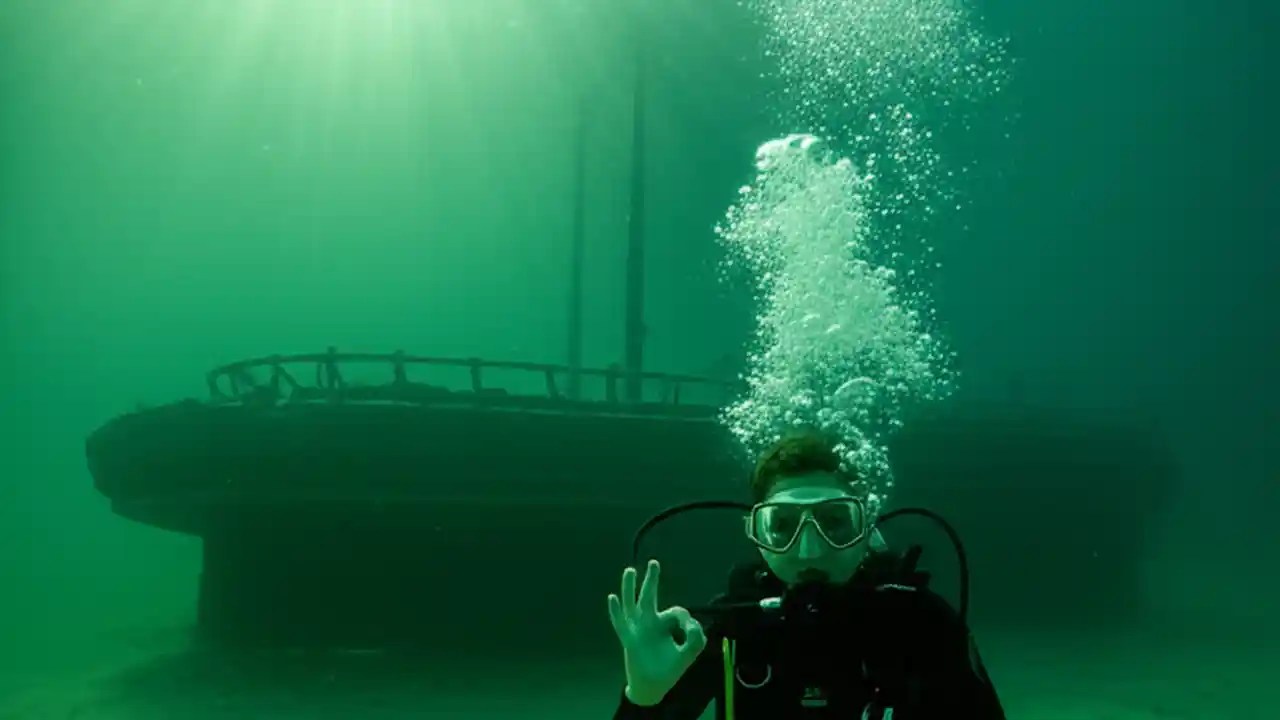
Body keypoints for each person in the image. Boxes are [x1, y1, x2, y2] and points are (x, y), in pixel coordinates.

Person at [607, 429, 1006, 719]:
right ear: (756, 534)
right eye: (782, 526)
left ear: (866, 530)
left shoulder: (922, 625)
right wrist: (643, 698)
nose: (809, 549)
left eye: (836, 522)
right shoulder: (731, 631)